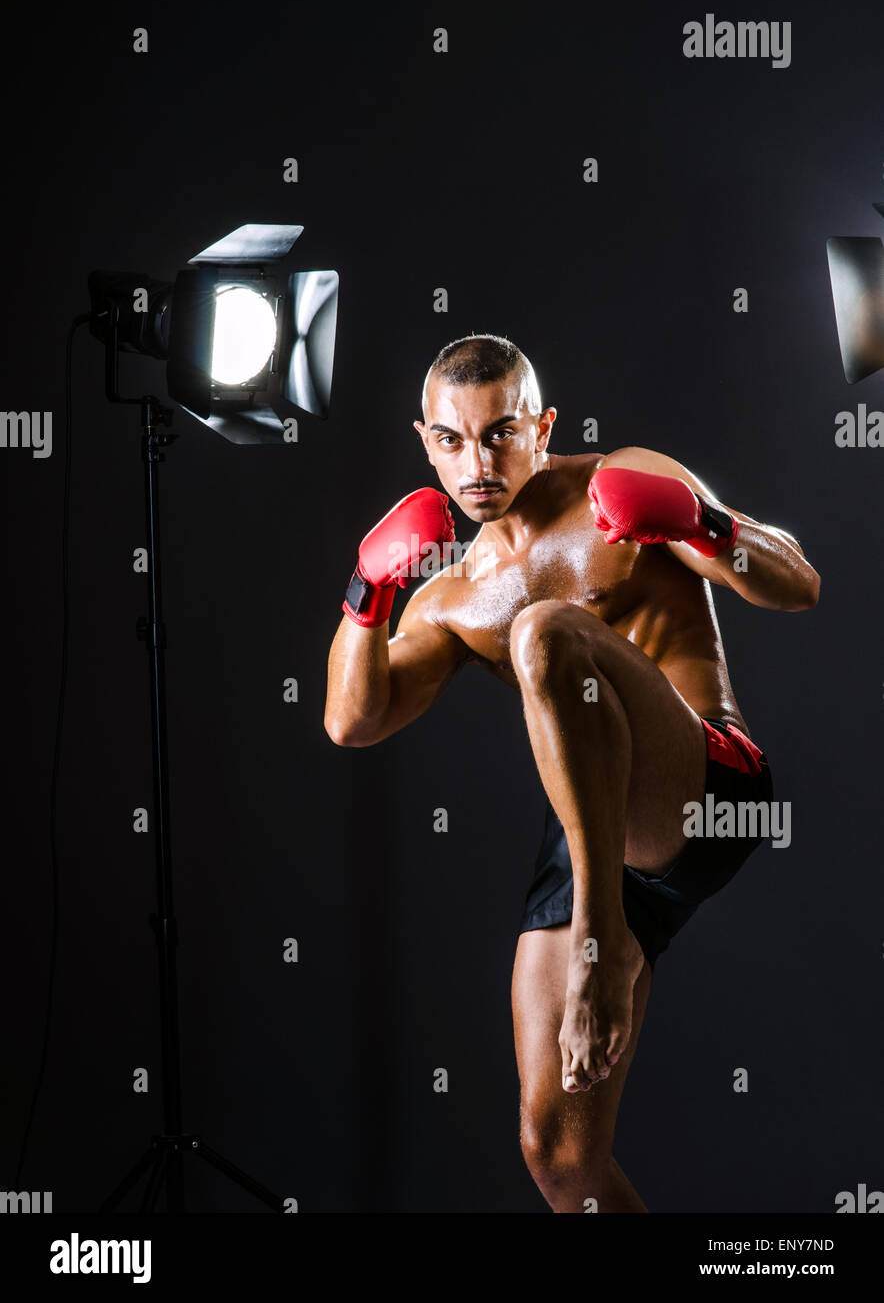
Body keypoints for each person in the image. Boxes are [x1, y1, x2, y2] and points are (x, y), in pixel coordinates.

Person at [324, 334, 820, 1212]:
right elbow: (351, 720)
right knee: (557, 1156)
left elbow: (797, 584)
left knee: (543, 633)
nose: (476, 464)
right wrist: (369, 591)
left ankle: (604, 942)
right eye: (451, 440)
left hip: (705, 784)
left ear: (543, 426)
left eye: (500, 433)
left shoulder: (616, 485)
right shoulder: (452, 595)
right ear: (425, 441)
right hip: (590, 834)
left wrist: (705, 524)